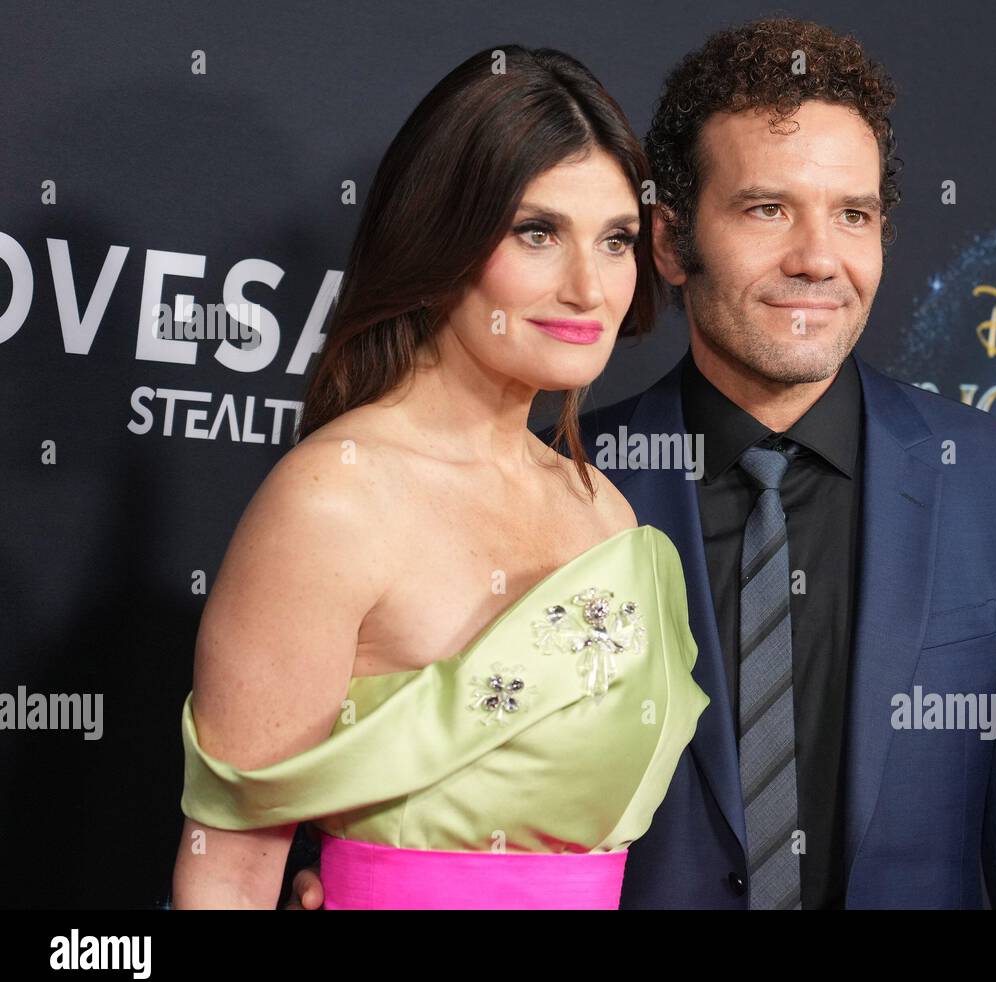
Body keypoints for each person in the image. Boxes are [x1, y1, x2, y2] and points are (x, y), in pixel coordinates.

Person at [292, 16, 996, 910]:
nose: (818, 259)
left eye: (854, 214)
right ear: (667, 242)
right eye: (767, 209)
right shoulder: (558, 489)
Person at [171, 44, 709, 909]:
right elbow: (228, 877)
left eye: (615, 240)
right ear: (441, 238)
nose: (589, 287)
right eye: (538, 232)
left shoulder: (601, 509)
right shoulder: (333, 501)